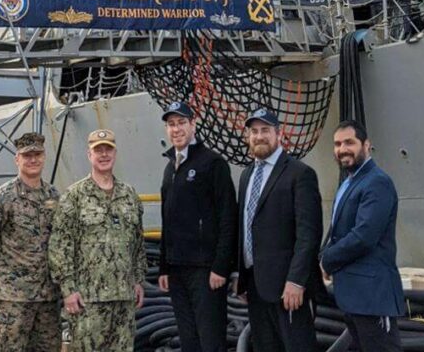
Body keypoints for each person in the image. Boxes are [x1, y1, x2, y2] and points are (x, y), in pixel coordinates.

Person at [48, 128, 147, 352]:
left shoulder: (129, 195)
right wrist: (68, 289)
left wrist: (139, 280)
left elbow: (138, 243)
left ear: (115, 153)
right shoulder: (74, 196)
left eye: (108, 150)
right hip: (87, 299)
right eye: (98, 150)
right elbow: (60, 246)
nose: (104, 155)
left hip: (123, 298)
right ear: (89, 155)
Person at [236, 108, 324, 351]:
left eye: (265, 130)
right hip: (256, 285)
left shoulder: (300, 174)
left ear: (279, 133)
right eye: (254, 131)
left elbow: (309, 234)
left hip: (288, 288)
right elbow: (245, 227)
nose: (259, 136)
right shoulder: (246, 176)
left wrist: (296, 281)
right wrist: (242, 279)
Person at [158, 101, 237, 352]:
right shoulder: (170, 167)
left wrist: (221, 267)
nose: (176, 129)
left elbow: (228, 218)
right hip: (178, 270)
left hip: (205, 271)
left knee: (210, 340)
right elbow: (167, 220)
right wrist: (164, 266)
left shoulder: (213, 164)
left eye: (181, 122)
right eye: (171, 124)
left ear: (193, 124)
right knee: (189, 340)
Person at [0, 132, 61, 352]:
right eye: (27, 155)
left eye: (37, 154)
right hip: (13, 300)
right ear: (17, 159)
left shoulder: (54, 196)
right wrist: (4, 277)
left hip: (47, 298)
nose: (33, 160)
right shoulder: (2, 198)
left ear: (44, 157)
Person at [320, 120, 405, 352]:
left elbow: (364, 236)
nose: (342, 149)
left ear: (366, 145)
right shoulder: (350, 183)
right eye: (337, 144)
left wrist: (327, 260)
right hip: (354, 295)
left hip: (372, 296)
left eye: (350, 142)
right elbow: (338, 233)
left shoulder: (377, 182)